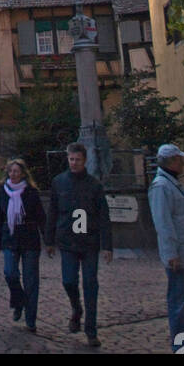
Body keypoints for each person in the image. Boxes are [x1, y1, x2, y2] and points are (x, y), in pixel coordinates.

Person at [46, 142, 113, 347]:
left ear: (84, 161)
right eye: (71, 159)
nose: (74, 163)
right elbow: (53, 212)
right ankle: (76, 308)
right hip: (67, 242)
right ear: (68, 159)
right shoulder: (59, 182)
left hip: (89, 242)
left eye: (77, 160)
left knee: (90, 285)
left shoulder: (94, 185)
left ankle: (91, 330)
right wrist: (49, 241)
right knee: (68, 281)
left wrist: (107, 245)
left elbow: (104, 216)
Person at [148, 142, 184, 352]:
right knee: (179, 304)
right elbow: (163, 223)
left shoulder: (173, 183)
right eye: (180, 159)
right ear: (172, 161)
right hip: (179, 256)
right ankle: (182, 347)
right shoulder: (161, 187)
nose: (183, 163)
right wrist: (170, 253)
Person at [0, 158, 46, 333]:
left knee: (31, 281)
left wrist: (48, 239)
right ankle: (18, 301)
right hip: (10, 238)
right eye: (11, 171)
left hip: (29, 239)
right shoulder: (3, 191)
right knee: (10, 273)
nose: (13, 174)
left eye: (16, 171)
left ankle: (31, 319)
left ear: (23, 173)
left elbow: (41, 217)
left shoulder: (31, 192)